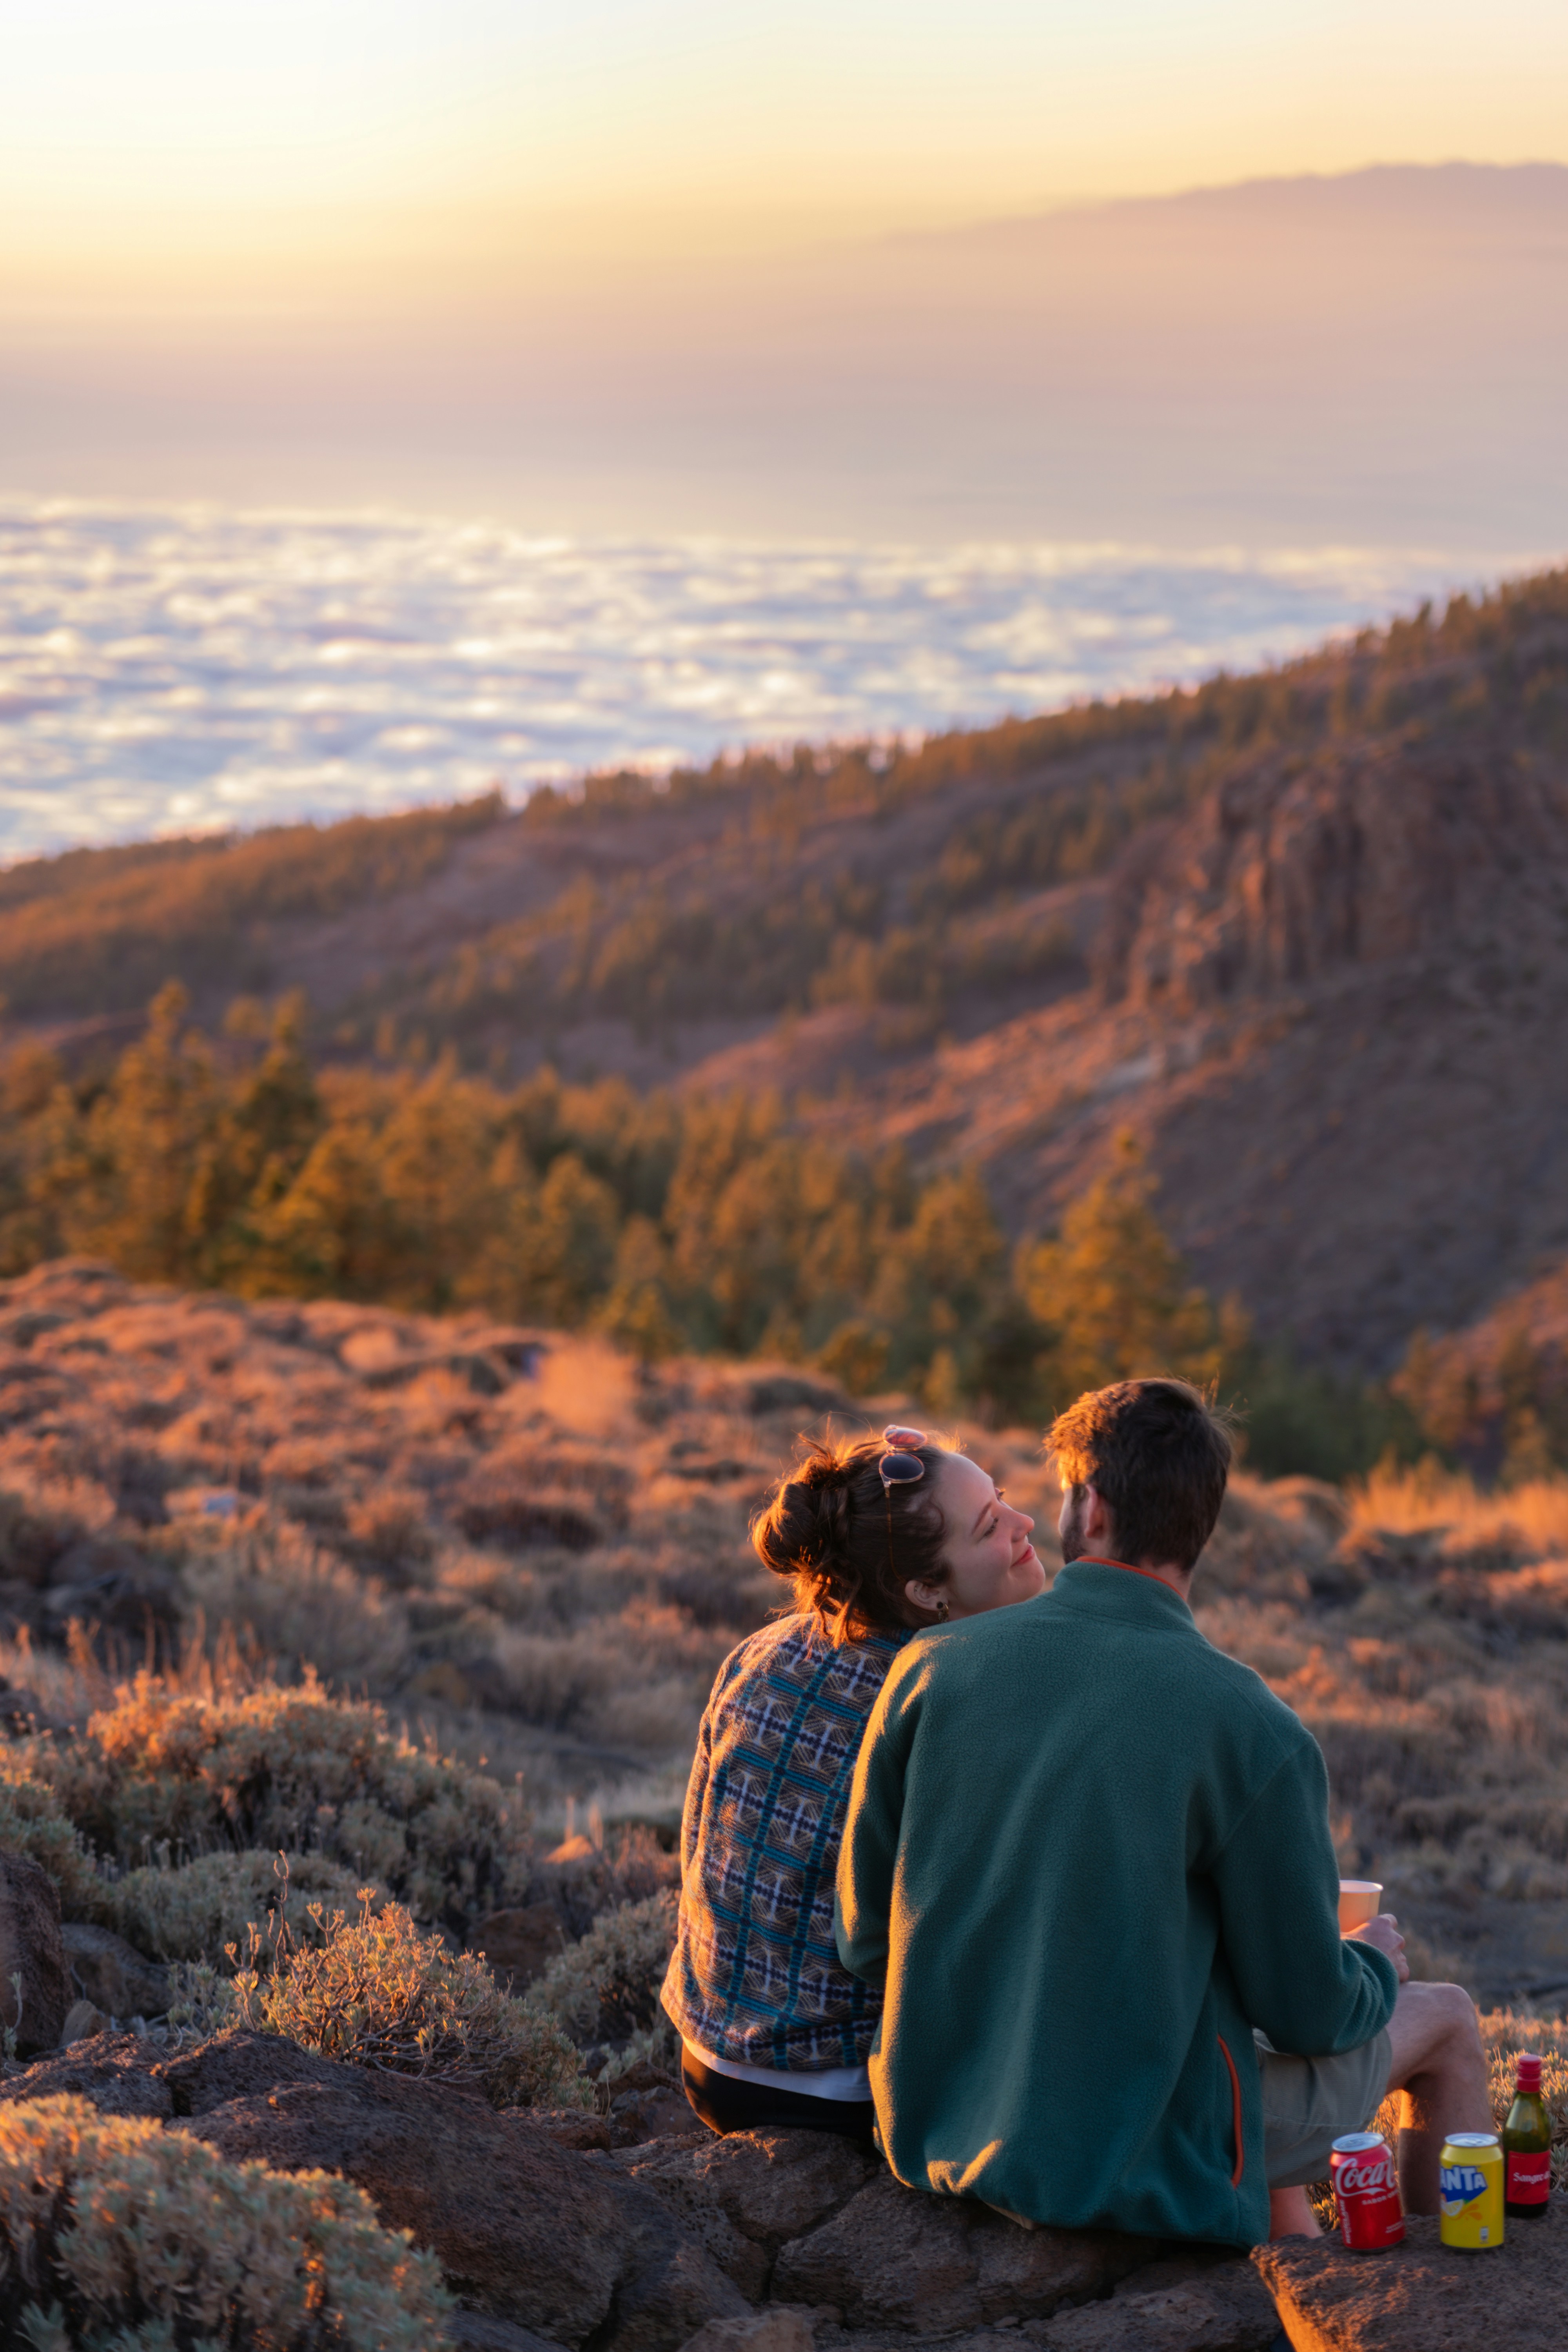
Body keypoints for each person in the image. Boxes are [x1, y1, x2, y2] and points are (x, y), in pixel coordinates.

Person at [835, 1377, 1491, 2245]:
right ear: (1201, 1523)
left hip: (935, 2125)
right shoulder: (1252, 1724)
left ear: (1091, 1508)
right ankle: (1441, 2295)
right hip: (1134, 2150)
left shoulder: (930, 1663)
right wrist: (1367, 1966)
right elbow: (1306, 2014)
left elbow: (864, 1938)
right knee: (1444, 2017)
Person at [661, 1424, 1046, 2142]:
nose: (1026, 1524)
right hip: (830, 2092)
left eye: (1004, 1498)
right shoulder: (946, 1698)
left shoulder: (760, 1650)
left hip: (707, 2057)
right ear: (926, 1589)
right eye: (992, 1525)